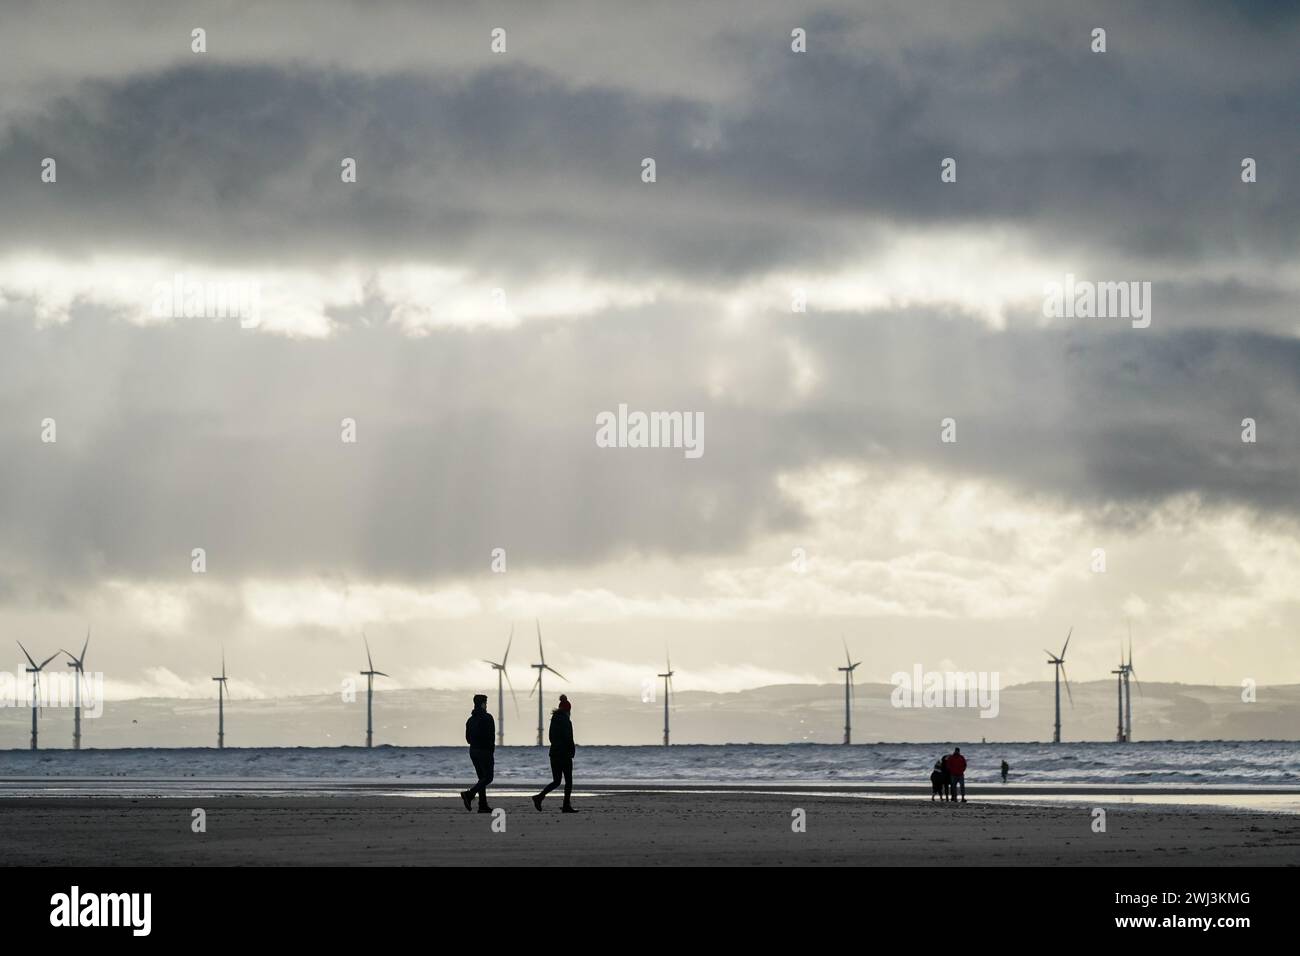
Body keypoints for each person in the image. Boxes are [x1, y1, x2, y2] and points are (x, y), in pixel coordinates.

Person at [533, 694, 578, 813]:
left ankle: (540, 796)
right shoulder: (566, 721)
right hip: (564, 755)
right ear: (568, 710)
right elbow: (569, 738)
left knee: (556, 781)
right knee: (568, 781)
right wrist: (572, 751)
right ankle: (566, 806)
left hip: (553, 754)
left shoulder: (554, 720)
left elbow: (550, 737)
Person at [460, 694, 495, 813]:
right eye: (486, 703)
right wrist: (491, 750)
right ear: (482, 704)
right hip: (485, 751)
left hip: (473, 751)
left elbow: (468, 739)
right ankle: (469, 794)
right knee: (488, 777)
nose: (487, 705)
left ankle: (482, 805)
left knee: (482, 779)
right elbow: (491, 736)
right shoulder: (488, 718)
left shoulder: (470, 720)